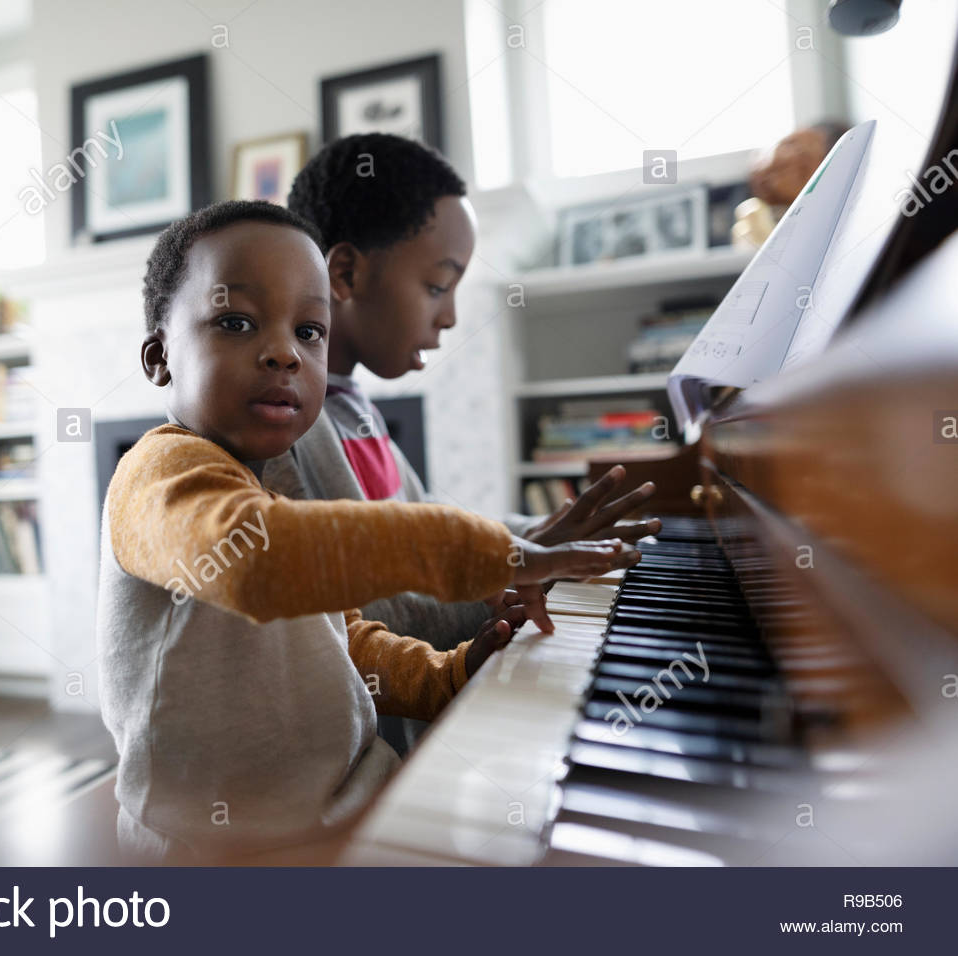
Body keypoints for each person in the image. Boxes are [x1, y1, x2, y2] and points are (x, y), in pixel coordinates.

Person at [96, 200, 640, 862]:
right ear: (159, 358)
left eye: (310, 331)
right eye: (235, 322)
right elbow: (254, 566)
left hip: (355, 803)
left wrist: (448, 674)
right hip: (219, 850)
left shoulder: (265, 483)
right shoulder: (156, 474)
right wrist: (486, 554)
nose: (282, 353)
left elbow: (343, 640)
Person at [271, 133, 661, 752]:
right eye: (437, 285)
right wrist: (520, 556)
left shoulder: (354, 408)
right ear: (344, 273)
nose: (450, 315)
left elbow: (425, 531)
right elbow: (366, 620)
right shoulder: (283, 430)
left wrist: (534, 535)